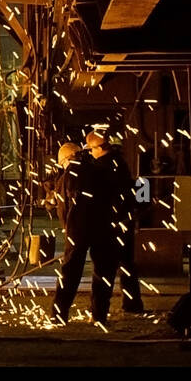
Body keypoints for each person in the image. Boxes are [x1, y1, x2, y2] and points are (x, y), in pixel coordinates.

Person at [51, 138, 122, 326]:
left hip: (77, 230)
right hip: (104, 228)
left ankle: (59, 315)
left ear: (66, 159)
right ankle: (99, 316)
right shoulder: (98, 169)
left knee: (70, 273)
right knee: (103, 273)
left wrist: (67, 228)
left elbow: (63, 209)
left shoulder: (66, 176)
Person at [86, 132, 144, 313]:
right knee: (127, 266)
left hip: (107, 226)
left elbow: (95, 199)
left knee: (103, 269)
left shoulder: (98, 168)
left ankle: (98, 311)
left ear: (99, 148)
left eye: (91, 150)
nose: (90, 153)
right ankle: (133, 305)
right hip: (125, 222)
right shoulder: (121, 163)